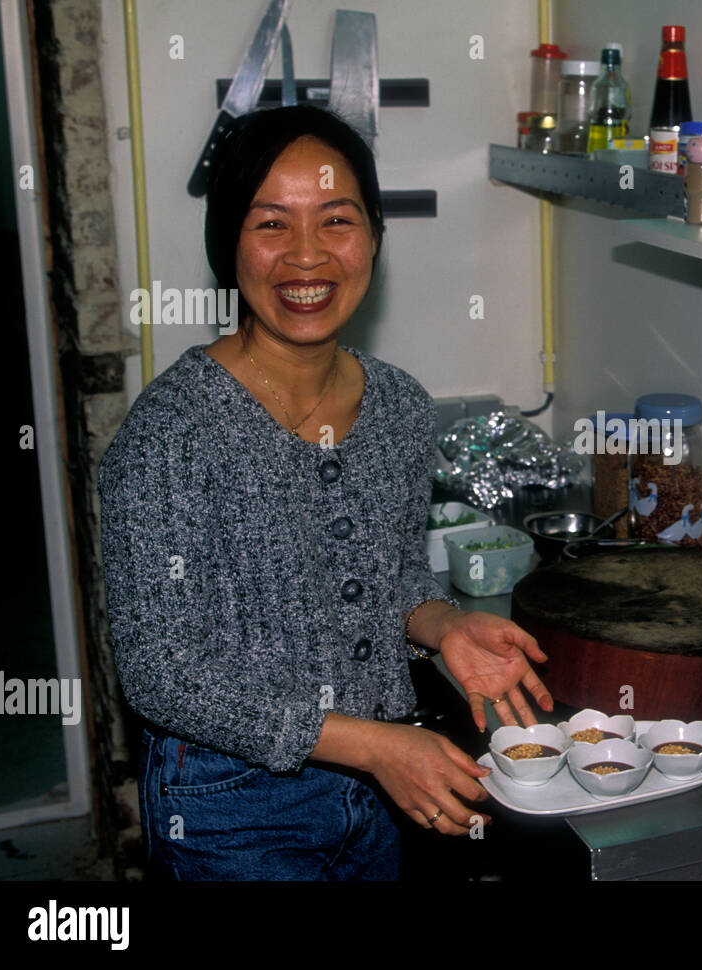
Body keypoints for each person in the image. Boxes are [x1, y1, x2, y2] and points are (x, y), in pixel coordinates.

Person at [98, 105, 553, 880]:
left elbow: (389, 581)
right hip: (228, 808)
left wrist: (445, 625)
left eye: (336, 221)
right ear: (228, 245)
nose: (306, 258)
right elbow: (159, 670)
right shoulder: (171, 434)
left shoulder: (401, 406)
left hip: (373, 795)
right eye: (271, 224)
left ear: (374, 235)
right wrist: (375, 746)